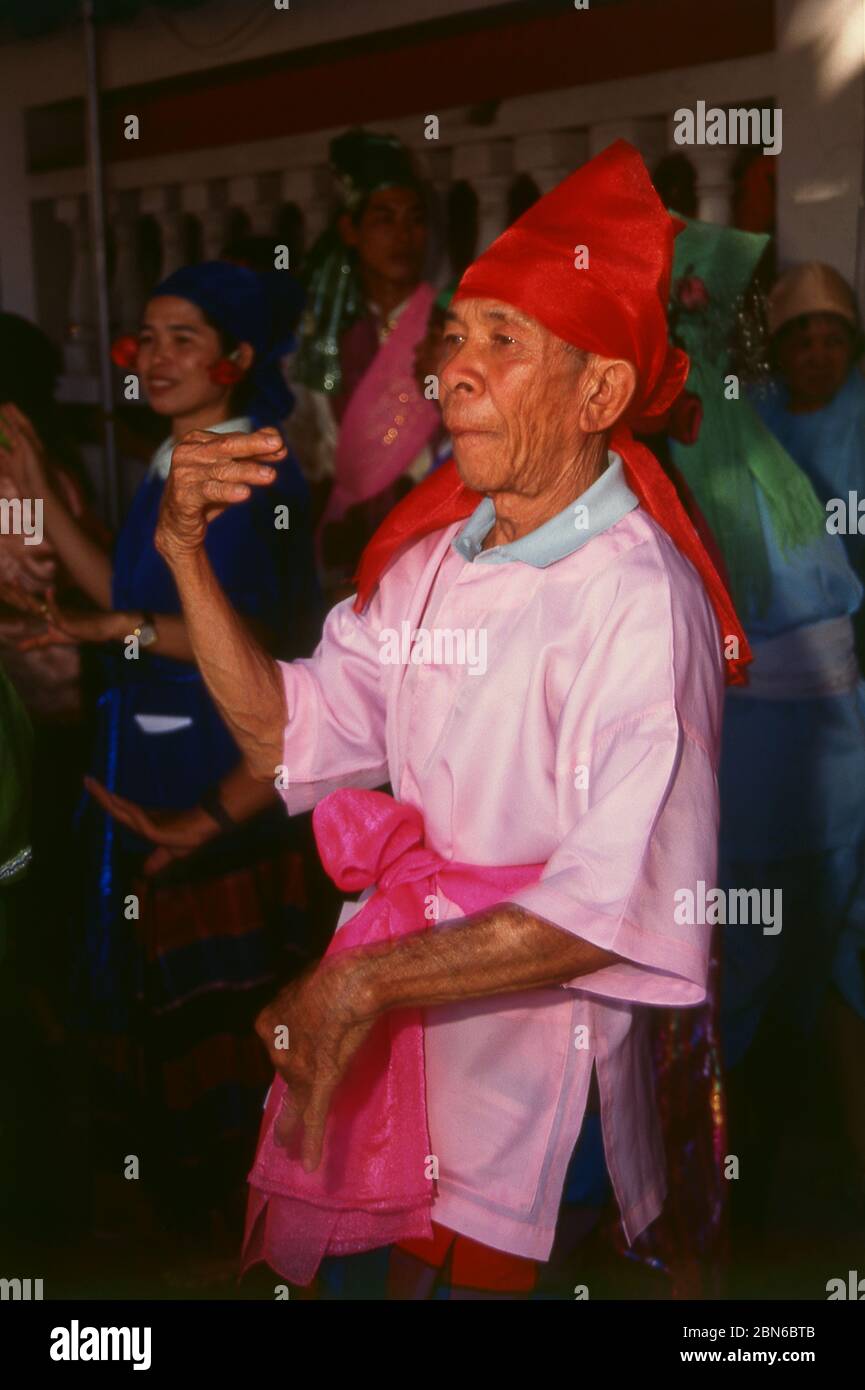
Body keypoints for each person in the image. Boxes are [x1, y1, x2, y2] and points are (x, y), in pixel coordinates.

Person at [151, 140, 751, 1299]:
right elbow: (293, 735)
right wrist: (184, 555)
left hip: (536, 1069)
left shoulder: (637, 602)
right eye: (456, 334)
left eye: (501, 342)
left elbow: (613, 905)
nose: (452, 372)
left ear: (601, 393)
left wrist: (360, 982)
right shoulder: (436, 565)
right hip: (411, 1042)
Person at [0, 261, 321, 1272]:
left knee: (221, 1004)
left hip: (218, 758)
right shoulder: (173, 458)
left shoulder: (249, 467)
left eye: (186, 337)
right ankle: (193, 1211)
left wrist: (116, 627)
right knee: (161, 997)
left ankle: (254, 1221)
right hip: (145, 747)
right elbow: (115, 582)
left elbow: (252, 634)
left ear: (236, 357)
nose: (157, 356)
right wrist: (43, 497)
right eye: (149, 335)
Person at [664, 220, 865, 1268]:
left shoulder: (748, 432)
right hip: (763, 748)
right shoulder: (710, 426)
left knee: (821, 963)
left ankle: (747, 1195)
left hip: (827, 751)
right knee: (737, 981)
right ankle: (701, 1208)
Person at [288, 128, 441, 598]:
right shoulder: (322, 336)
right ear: (350, 231)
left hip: (434, 540)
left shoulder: (451, 322)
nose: (404, 236)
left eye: (415, 220)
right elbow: (306, 445)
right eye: (384, 219)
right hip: (344, 542)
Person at [752, 262, 865, 666]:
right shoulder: (757, 415)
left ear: (852, 349)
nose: (818, 356)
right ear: (779, 353)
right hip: (775, 616)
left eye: (833, 341)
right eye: (803, 344)